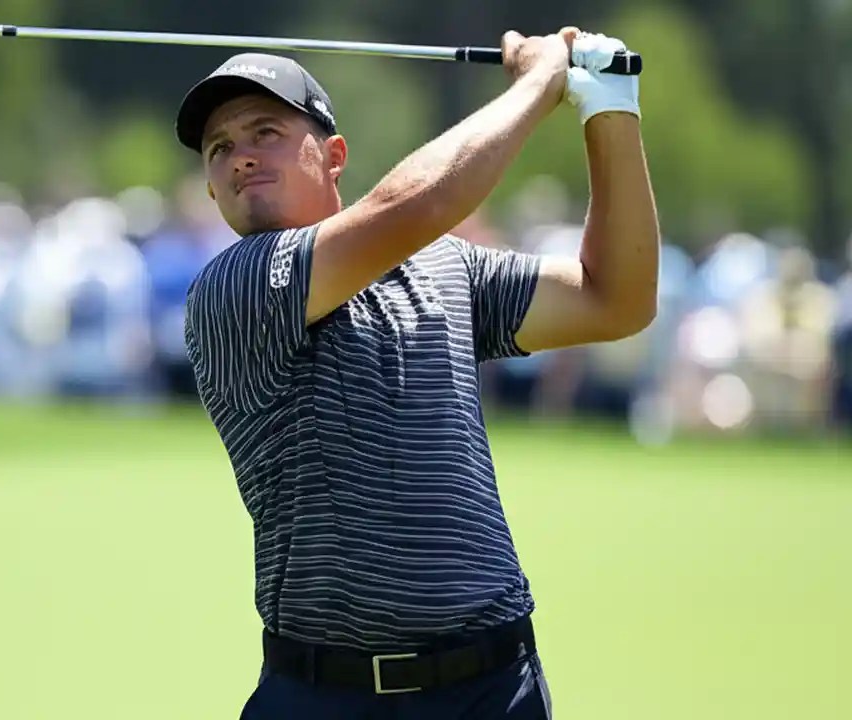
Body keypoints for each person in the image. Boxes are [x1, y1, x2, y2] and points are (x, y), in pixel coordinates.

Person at [175, 26, 659, 719]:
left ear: (333, 155)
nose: (240, 158)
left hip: (492, 688)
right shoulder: (234, 287)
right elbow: (420, 205)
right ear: (213, 188)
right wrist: (538, 83)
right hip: (321, 694)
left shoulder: (446, 268)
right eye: (220, 150)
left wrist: (610, 107)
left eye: (265, 132)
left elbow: (617, 298)